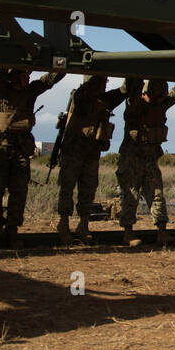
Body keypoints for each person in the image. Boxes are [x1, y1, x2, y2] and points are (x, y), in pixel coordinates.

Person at [0, 67, 65, 247]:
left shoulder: (30, 92)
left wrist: (61, 63)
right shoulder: (0, 91)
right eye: (23, 75)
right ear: (13, 77)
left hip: (20, 150)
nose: (27, 79)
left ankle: (12, 230)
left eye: (29, 75)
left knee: (19, 193)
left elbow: (49, 80)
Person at [55, 74, 125, 245]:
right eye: (102, 82)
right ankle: (63, 225)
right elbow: (81, 94)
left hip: (92, 154)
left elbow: (124, 91)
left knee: (88, 191)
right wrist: (97, 76)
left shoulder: (106, 99)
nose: (104, 85)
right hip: (73, 152)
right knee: (67, 189)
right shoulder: (81, 97)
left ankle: (83, 225)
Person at [116, 78, 175, 246]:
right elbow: (132, 91)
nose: (162, 100)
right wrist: (139, 74)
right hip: (131, 159)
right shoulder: (135, 105)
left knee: (157, 195)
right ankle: (128, 233)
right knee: (130, 195)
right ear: (149, 93)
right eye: (159, 96)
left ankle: (162, 232)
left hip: (150, 159)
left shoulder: (160, 105)